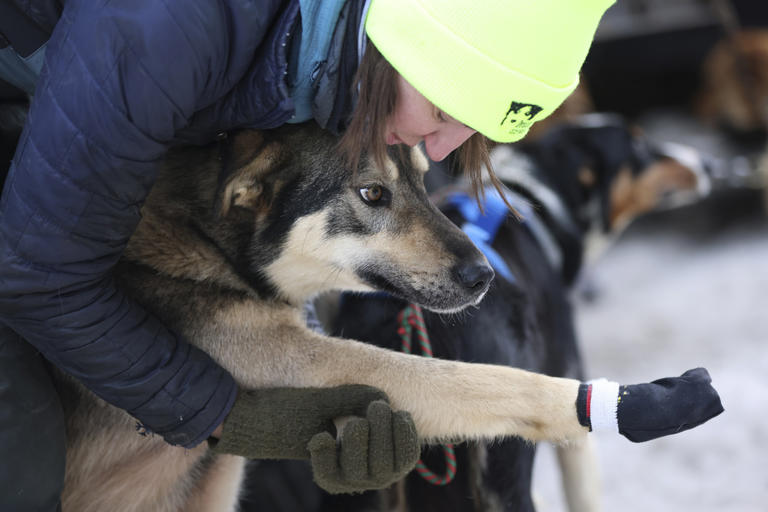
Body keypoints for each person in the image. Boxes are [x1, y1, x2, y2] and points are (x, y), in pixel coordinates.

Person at [0, 0, 615, 509]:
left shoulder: (333, 73)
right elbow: (41, 275)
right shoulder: (175, 27)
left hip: (81, 156)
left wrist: (298, 388)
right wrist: (229, 417)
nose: (443, 145)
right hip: (41, 193)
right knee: (22, 461)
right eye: (444, 110)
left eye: (472, 129)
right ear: (406, 45)